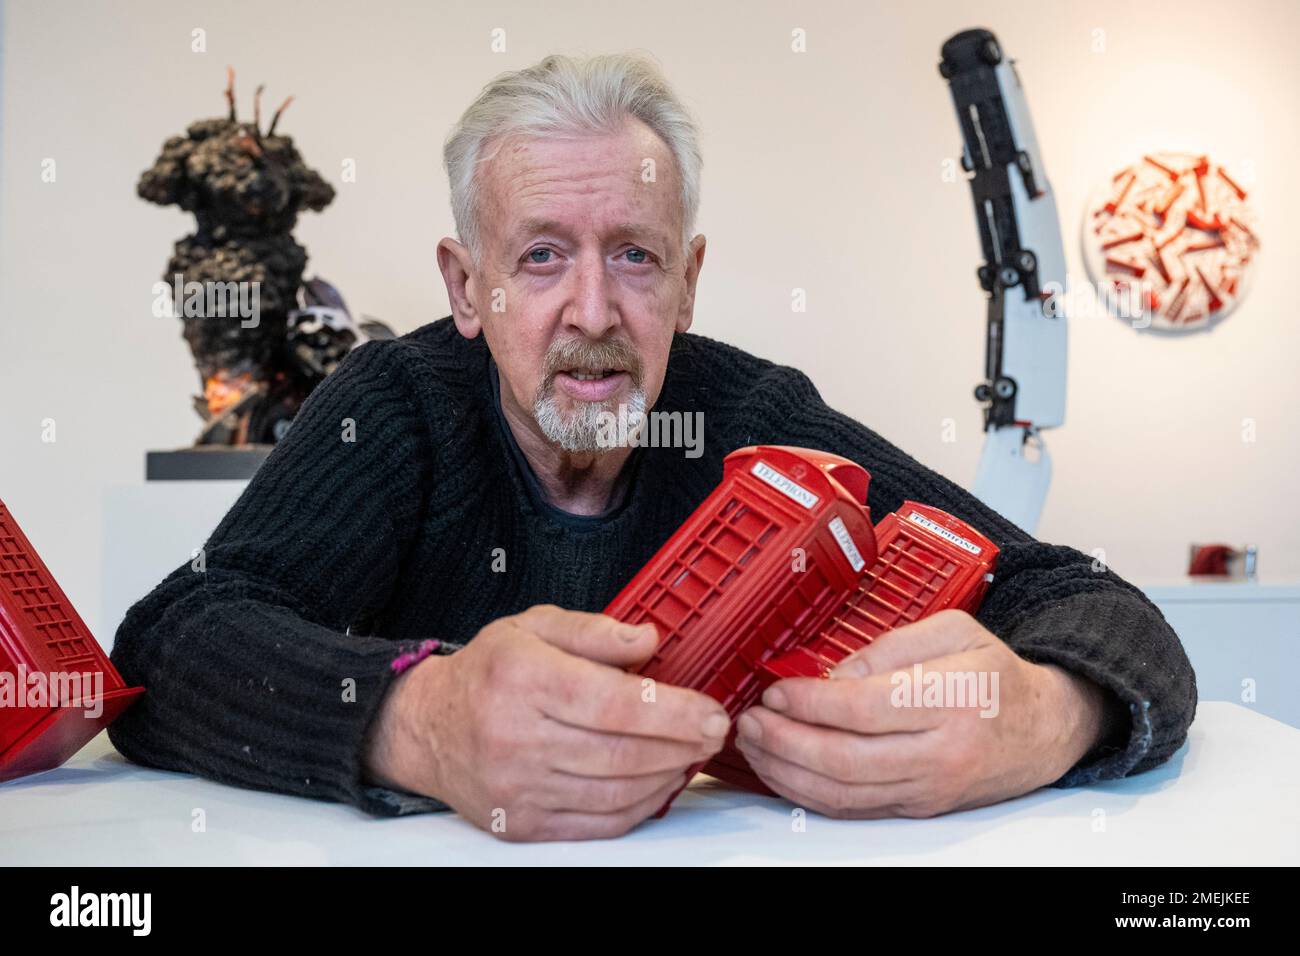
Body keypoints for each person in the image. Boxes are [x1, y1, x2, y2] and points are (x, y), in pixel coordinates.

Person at [110, 53, 1196, 843]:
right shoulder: (397, 404)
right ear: (463, 288)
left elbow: (1093, 601)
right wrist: (421, 718)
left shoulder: (749, 413)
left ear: (687, 282)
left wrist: (1050, 714)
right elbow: (172, 642)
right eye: (539, 256)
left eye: (634, 256)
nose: (594, 308)